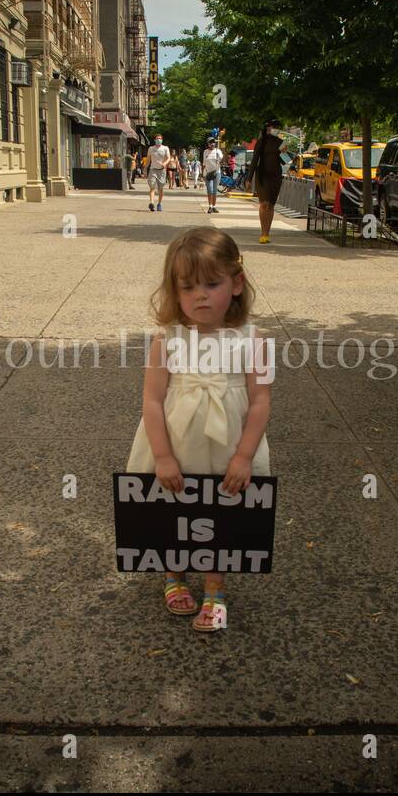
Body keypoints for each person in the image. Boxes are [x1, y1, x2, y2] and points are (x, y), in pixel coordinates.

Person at [125, 227, 272, 632]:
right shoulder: (167, 340)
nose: (200, 295)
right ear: (175, 291)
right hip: (177, 440)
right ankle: (173, 573)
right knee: (175, 507)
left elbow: (260, 401)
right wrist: (162, 455)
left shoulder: (252, 340)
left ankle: (214, 586)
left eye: (212, 283)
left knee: (220, 508)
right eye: (188, 287)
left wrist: (244, 456)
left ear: (237, 283)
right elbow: (152, 401)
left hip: (228, 443)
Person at [250, 118, 285, 244]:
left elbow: (284, 161)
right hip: (262, 175)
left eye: (278, 127)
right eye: (274, 126)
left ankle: (267, 234)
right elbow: (254, 160)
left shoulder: (281, 142)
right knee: (263, 204)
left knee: (270, 205)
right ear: (268, 128)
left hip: (275, 176)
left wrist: (285, 153)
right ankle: (262, 233)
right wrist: (249, 178)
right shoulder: (262, 142)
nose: (276, 129)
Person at [146, 134, 170, 211]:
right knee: (152, 187)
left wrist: (165, 163)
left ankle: (159, 203)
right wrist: (145, 168)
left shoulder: (165, 148)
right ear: (154, 140)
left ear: (162, 140)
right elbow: (148, 159)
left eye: (160, 138)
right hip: (153, 169)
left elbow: (169, 158)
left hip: (162, 171)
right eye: (157, 138)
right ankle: (152, 203)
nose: (158, 140)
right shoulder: (151, 148)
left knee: (161, 189)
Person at [202, 136, 224, 213]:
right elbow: (204, 163)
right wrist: (203, 174)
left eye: (213, 142)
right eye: (210, 142)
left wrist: (220, 160)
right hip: (208, 173)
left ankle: (214, 206)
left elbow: (222, 159)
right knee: (209, 190)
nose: (212, 144)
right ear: (208, 144)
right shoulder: (205, 152)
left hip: (216, 173)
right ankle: (210, 206)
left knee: (214, 191)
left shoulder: (218, 151)